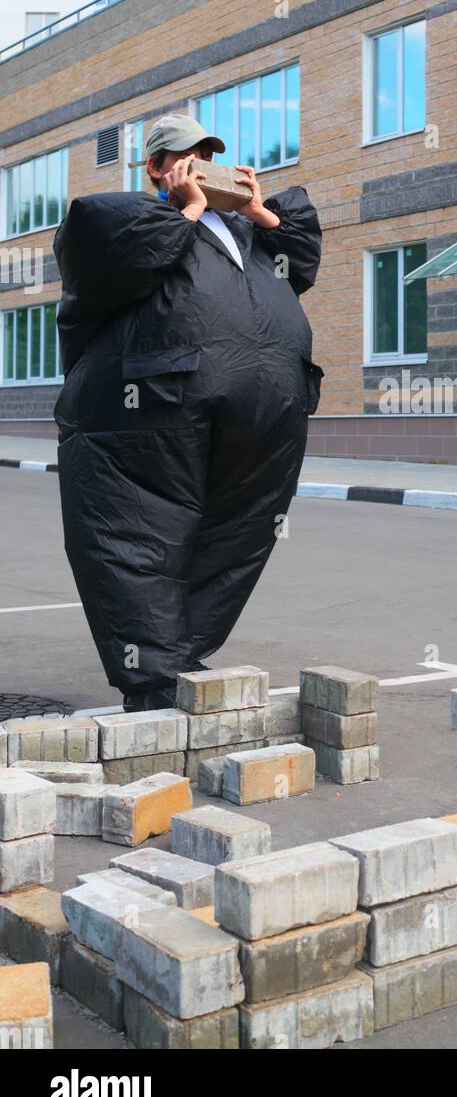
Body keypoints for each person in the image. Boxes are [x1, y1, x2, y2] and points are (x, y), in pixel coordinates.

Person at [53, 113, 323, 711]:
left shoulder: (251, 235)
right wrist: (190, 208)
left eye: (208, 153)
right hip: (148, 412)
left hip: (262, 412)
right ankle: (149, 681)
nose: (200, 163)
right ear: (155, 166)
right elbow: (121, 263)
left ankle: (179, 656)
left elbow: (301, 264)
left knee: (236, 532)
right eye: (186, 155)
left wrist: (256, 211)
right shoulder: (128, 222)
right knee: (138, 535)